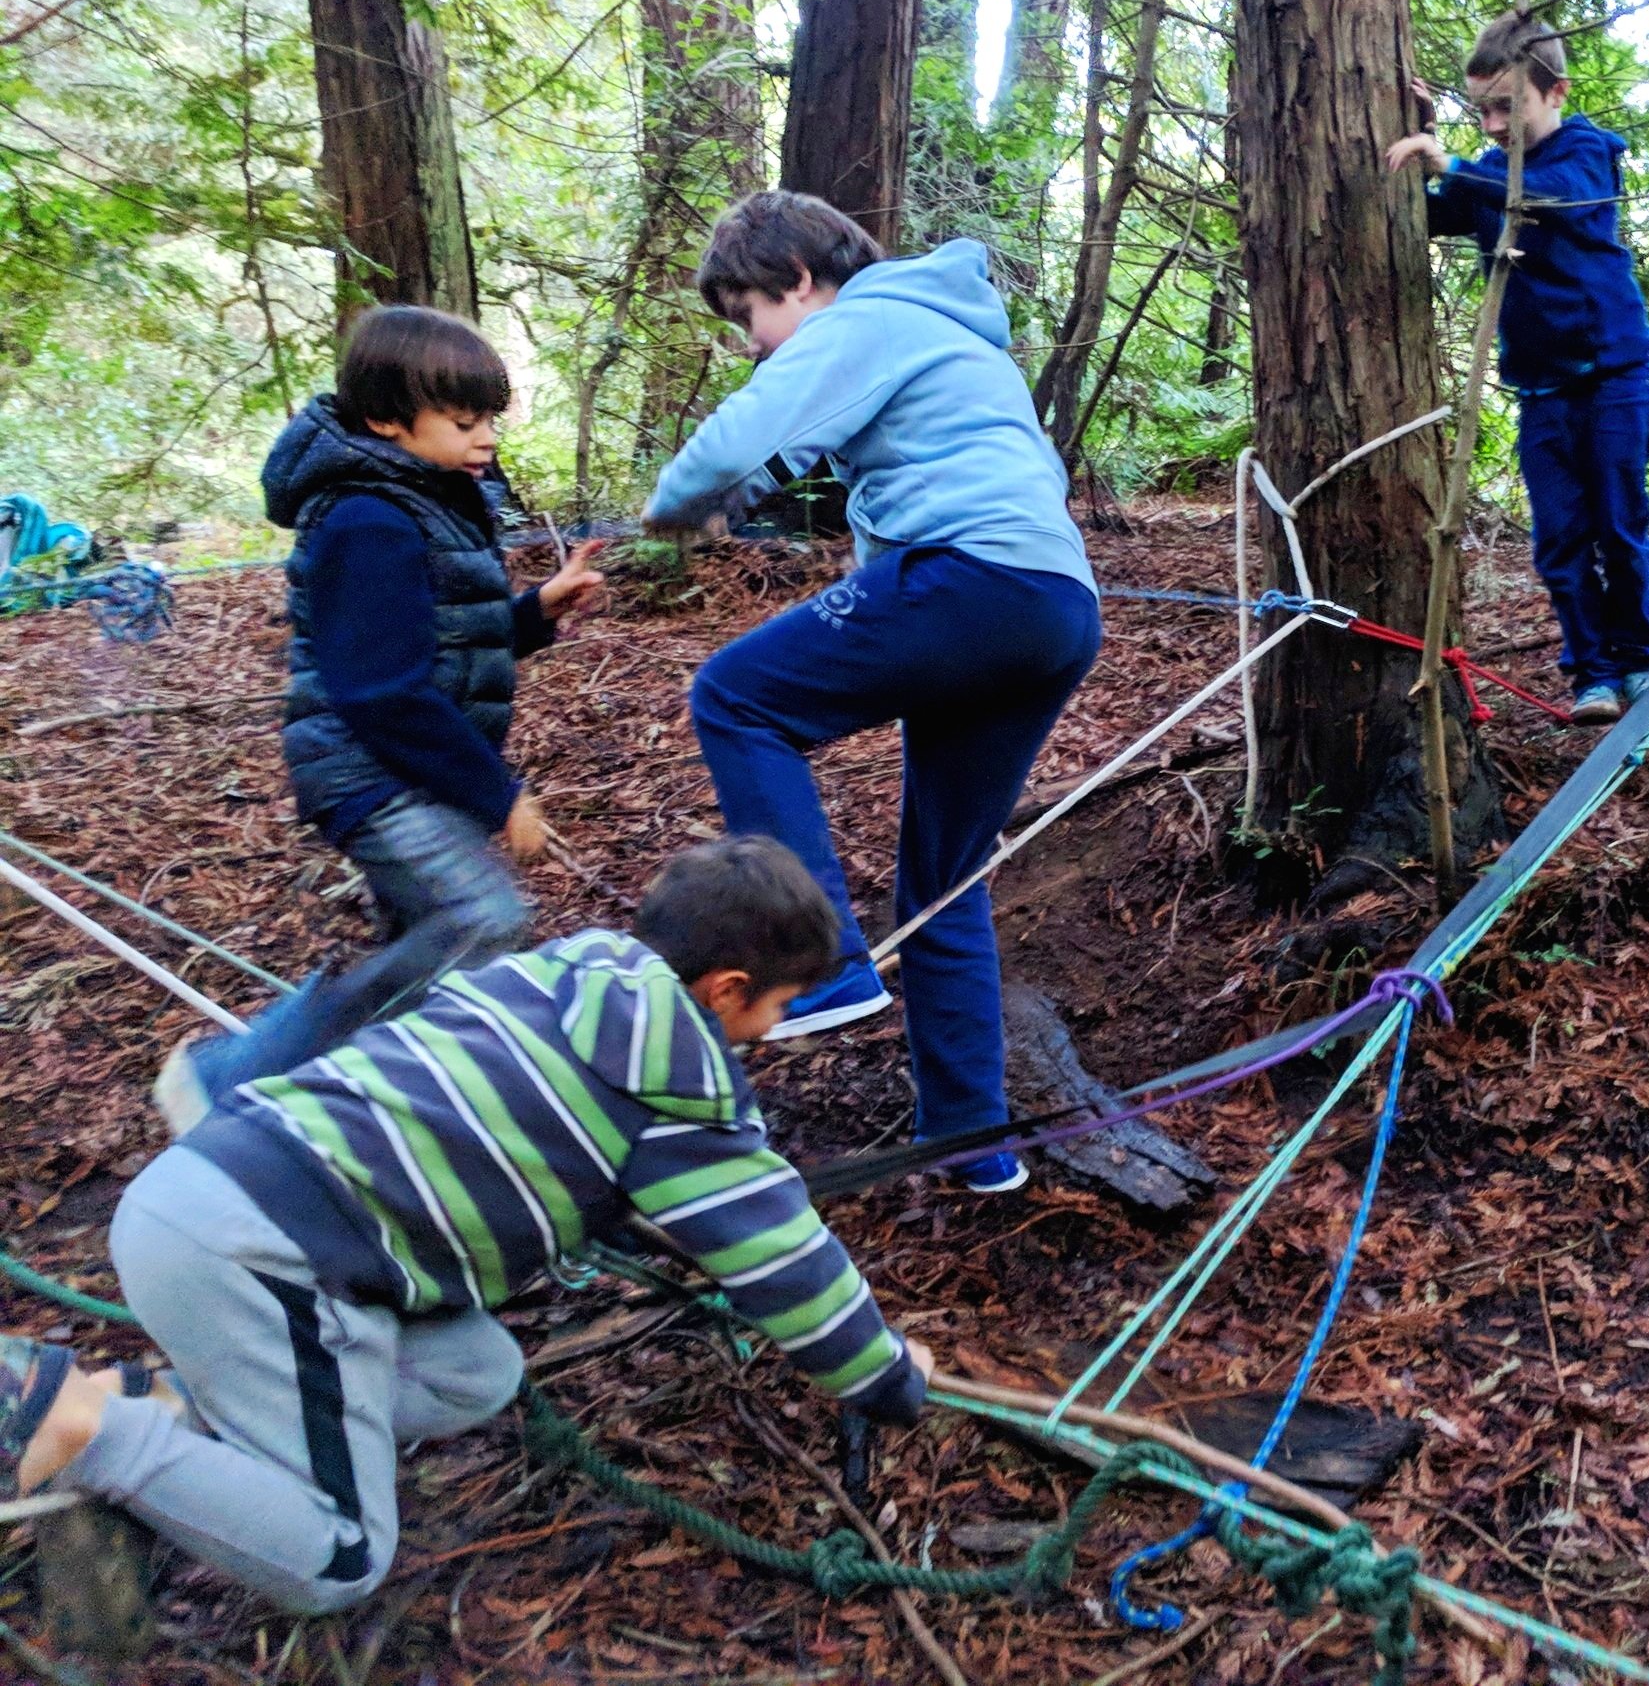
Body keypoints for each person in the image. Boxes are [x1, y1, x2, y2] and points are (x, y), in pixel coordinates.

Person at [1, 837, 931, 1618]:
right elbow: (789, 1266)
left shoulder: (550, 976)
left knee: (472, 1371)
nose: (772, 1030)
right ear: (727, 990)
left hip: (212, 1191)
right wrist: (886, 1377)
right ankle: (85, 1424)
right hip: (262, 1257)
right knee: (338, 1560)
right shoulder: (679, 1090)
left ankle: (180, 1404)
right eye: (777, 1005)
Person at [643, 191, 1103, 1194]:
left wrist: (671, 506)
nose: (749, 344)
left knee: (734, 695)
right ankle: (970, 1140)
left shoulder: (863, 318)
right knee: (942, 879)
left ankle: (820, 964)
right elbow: (800, 447)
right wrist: (739, 500)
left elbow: (746, 434)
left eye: (749, 316)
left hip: (967, 581)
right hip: (1052, 606)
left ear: (798, 279)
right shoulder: (942, 336)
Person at [157, 306, 605, 1129]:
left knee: (430, 949)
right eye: (464, 422)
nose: (485, 441)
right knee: (482, 921)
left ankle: (381, 1119)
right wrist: (498, 795)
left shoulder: (418, 499)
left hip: (405, 768)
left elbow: (435, 642)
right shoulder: (370, 520)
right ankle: (229, 1077)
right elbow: (380, 689)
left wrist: (535, 610)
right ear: (385, 421)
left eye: (490, 421)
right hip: (373, 775)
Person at [1385, 12, 1649, 726]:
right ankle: (1592, 674)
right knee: (1560, 537)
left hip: (1612, 376)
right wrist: (1416, 135)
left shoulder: (1588, 153)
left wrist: (1451, 164)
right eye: (1481, 109)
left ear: (1556, 92)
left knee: (1618, 522)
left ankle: (1639, 657)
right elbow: (1434, 216)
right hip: (1541, 388)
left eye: (1508, 106)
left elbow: (1549, 201)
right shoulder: (1486, 171)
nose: (1492, 124)